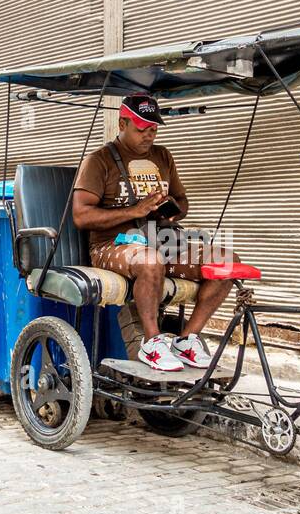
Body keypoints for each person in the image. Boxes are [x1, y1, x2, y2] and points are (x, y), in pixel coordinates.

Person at [72, 93, 238, 372]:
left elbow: (182, 202)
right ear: (121, 124)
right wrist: (134, 211)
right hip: (111, 245)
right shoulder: (99, 161)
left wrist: (170, 210)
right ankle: (152, 342)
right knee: (150, 261)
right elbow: (81, 215)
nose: (148, 135)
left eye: (153, 129)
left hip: (159, 239)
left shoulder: (163, 156)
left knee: (225, 260)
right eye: (141, 129)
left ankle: (187, 338)